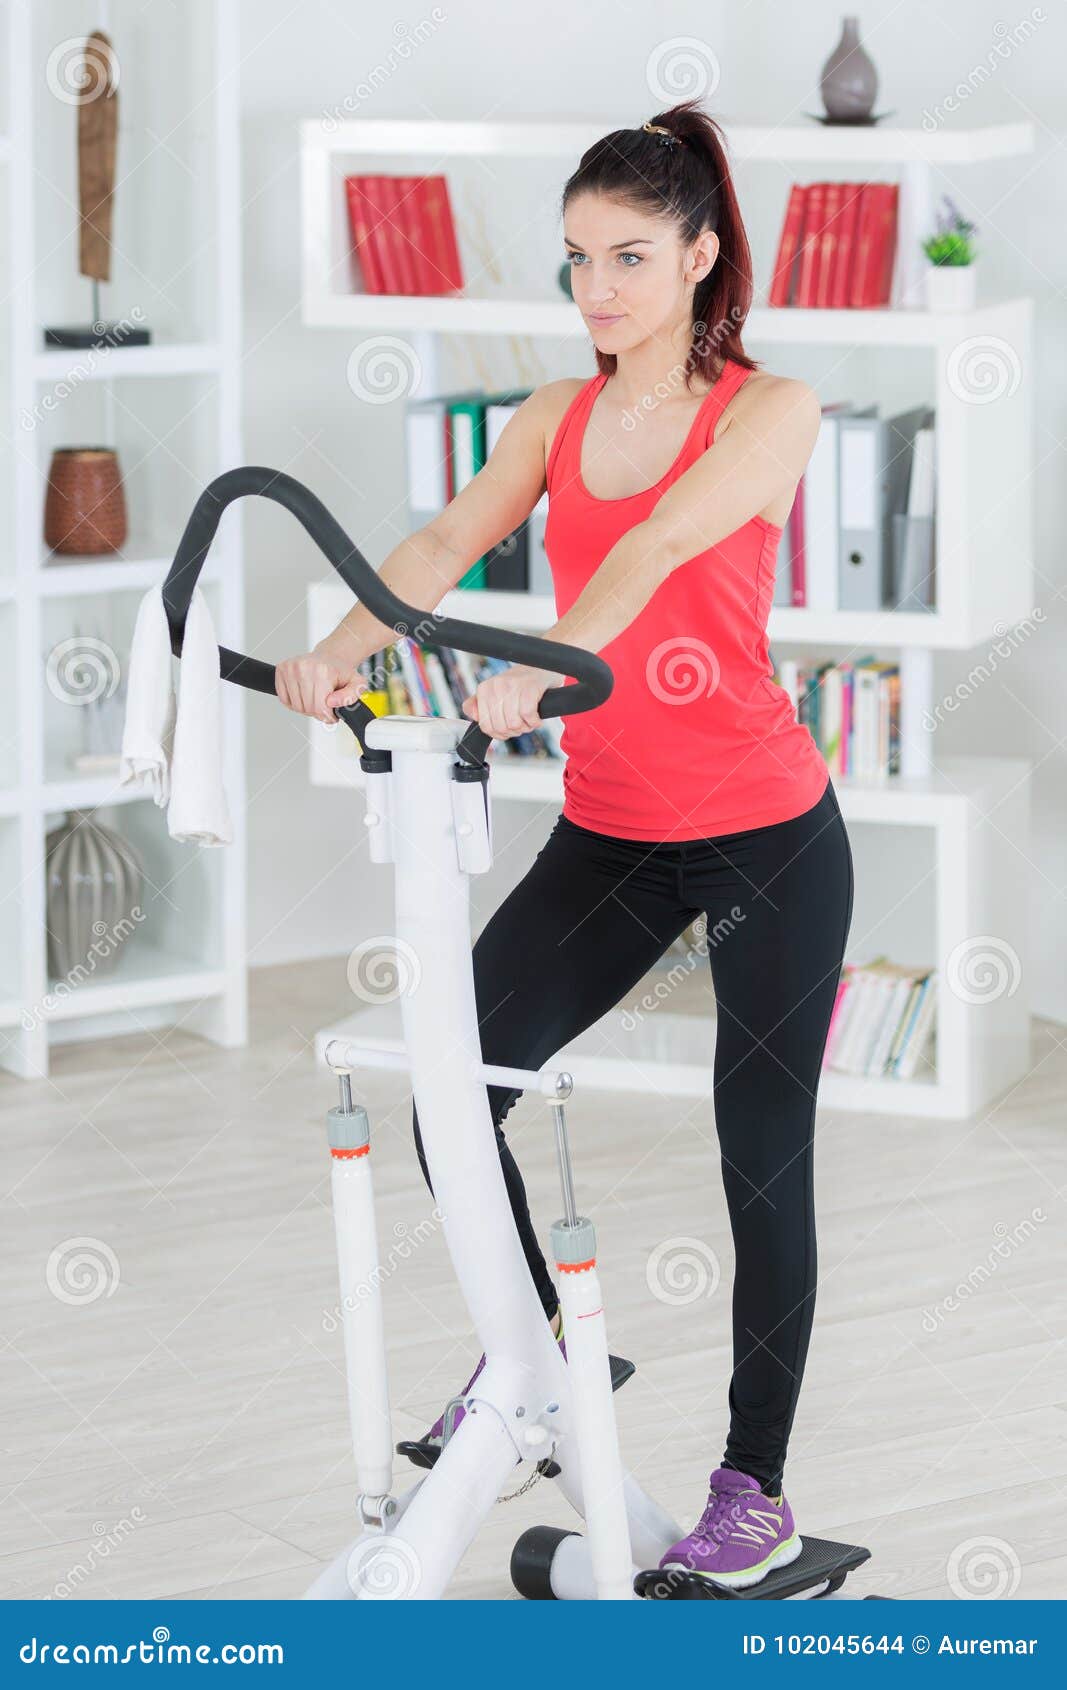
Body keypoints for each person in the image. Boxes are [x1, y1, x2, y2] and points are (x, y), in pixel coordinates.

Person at [276, 99, 855, 1592]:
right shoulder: (553, 416)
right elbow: (434, 546)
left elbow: (660, 550)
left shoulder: (770, 409)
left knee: (761, 1165)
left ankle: (756, 1486)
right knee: (450, 1084)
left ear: (701, 256)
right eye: (577, 262)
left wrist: (546, 667)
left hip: (766, 837)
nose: (599, 291)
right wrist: (336, 643)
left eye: (631, 258)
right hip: (614, 835)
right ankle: (538, 1362)